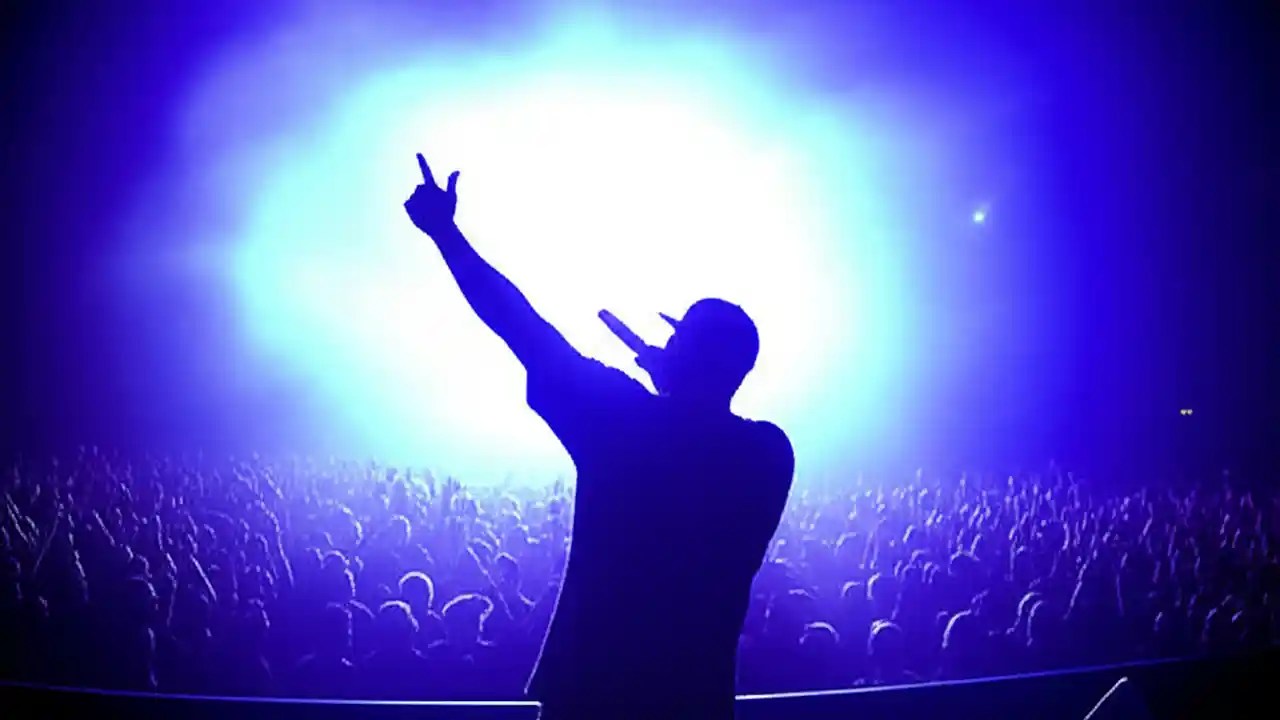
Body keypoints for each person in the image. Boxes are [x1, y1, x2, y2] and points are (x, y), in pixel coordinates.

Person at [404, 154, 796, 718]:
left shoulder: (623, 420)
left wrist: (446, 233)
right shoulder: (767, 453)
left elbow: (523, 327)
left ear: (683, 353)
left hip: (591, 692)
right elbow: (700, 439)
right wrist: (677, 380)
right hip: (696, 698)